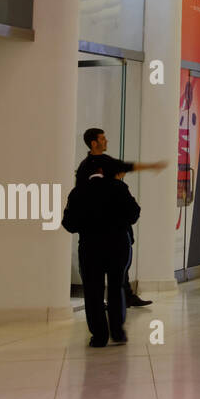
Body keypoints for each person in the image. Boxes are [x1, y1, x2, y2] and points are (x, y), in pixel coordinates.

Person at [74, 128, 166, 306]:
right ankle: (113, 302)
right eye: (103, 139)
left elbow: (127, 168)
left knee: (115, 266)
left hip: (104, 231)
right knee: (107, 269)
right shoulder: (91, 167)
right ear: (94, 143)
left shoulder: (97, 165)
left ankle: (122, 298)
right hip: (101, 231)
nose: (106, 141)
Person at [63, 155, 142, 346]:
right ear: (101, 170)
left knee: (93, 292)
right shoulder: (118, 187)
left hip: (90, 248)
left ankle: (99, 336)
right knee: (115, 288)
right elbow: (134, 213)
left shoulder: (78, 192)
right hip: (117, 247)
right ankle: (118, 332)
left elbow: (69, 224)